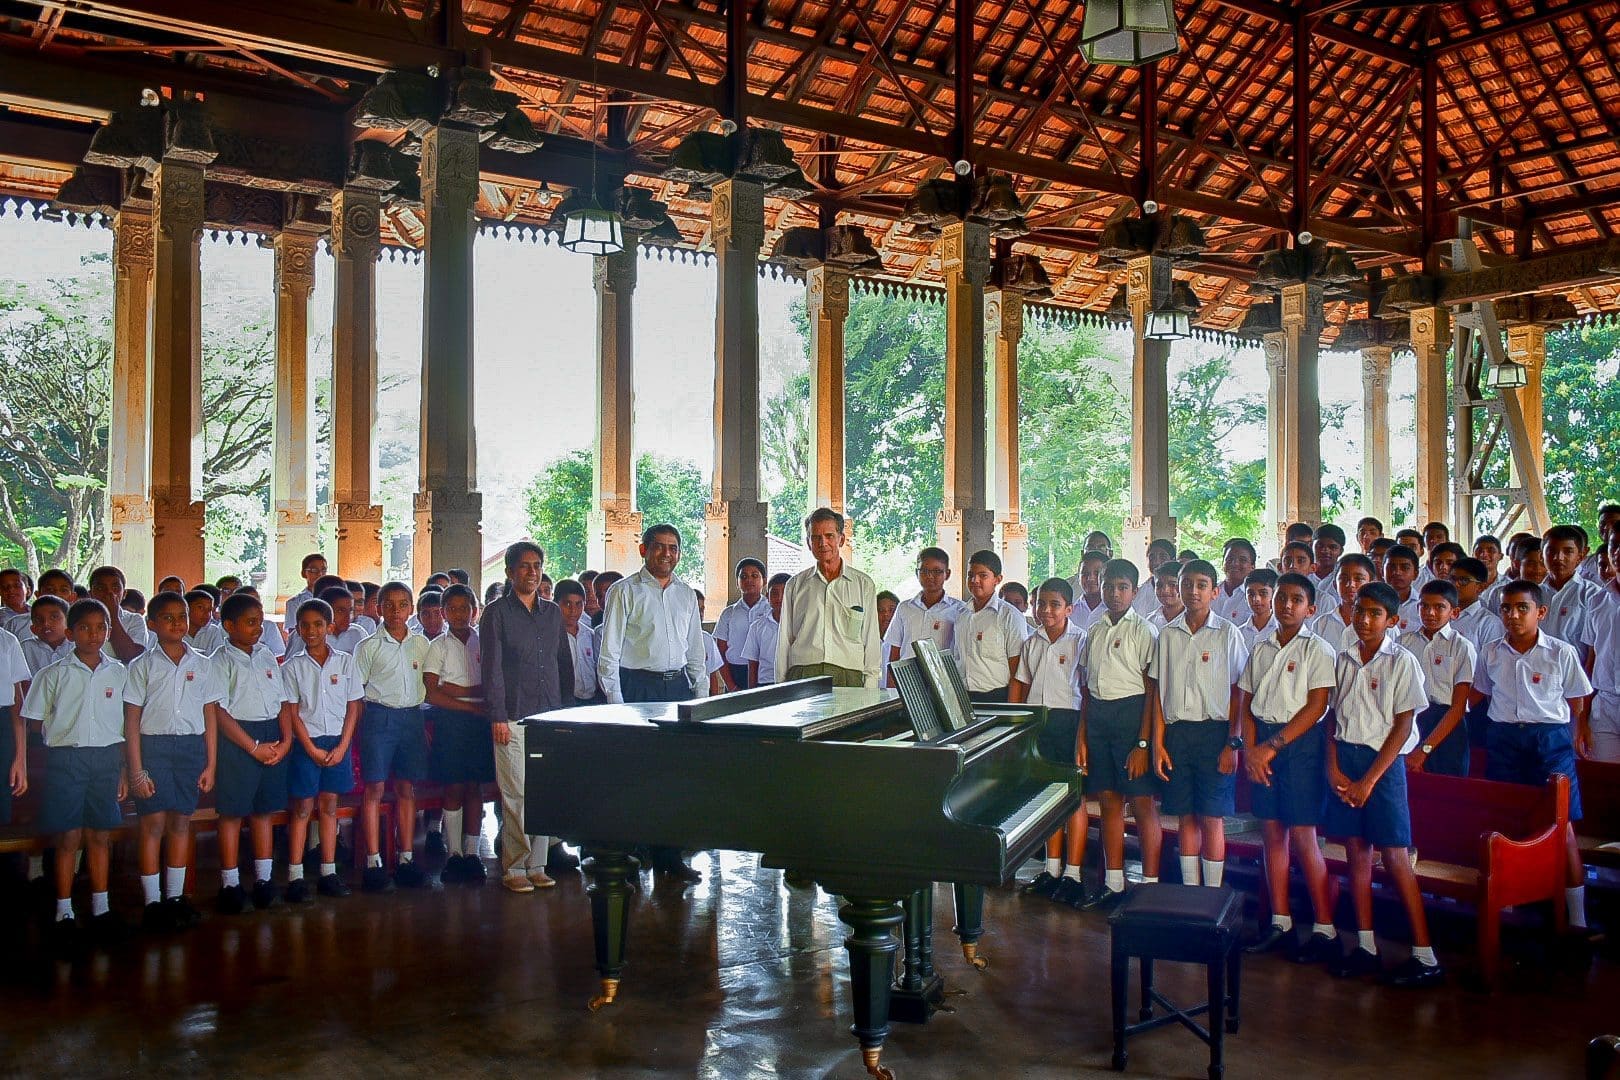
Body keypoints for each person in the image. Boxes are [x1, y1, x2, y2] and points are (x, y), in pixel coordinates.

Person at [1320, 582, 1441, 986]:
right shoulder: (1343, 658)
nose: (1365, 620)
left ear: (1392, 621)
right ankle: (1366, 946)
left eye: (1375, 614)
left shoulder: (1402, 661)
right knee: (1357, 853)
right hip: (1348, 759)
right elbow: (1332, 719)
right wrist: (1333, 768)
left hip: (1384, 766)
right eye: (1360, 611)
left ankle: (1425, 955)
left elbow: (1403, 725)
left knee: (1394, 856)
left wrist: (1369, 780)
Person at [1472, 578, 1595, 933]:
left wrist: (1577, 732)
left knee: (1561, 823)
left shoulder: (1560, 652)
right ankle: (1508, 906)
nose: (1513, 615)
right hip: (1504, 738)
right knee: (1505, 821)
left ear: (1540, 612)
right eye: (1506, 608)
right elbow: (1481, 693)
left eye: (1522, 608)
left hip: (1549, 740)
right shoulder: (1491, 651)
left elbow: (1577, 698)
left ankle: (1577, 919)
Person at [598, 525, 707, 881]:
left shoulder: (686, 594)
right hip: (637, 689)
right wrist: (616, 703)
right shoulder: (624, 591)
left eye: (673, 548)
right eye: (659, 547)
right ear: (644, 550)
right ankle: (632, 853)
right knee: (635, 773)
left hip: (676, 688)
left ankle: (669, 856)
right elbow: (609, 653)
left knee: (673, 775)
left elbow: (696, 650)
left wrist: (700, 697)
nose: (666, 554)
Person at [1238, 571, 1336, 961]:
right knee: (1272, 832)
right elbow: (1246, 703)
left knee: (1303, 836)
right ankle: (1280, 922)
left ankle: (1325, 929)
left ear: (1310, 608)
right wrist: (1251, 750)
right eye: (1281, 598)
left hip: (1299, 744)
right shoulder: (1261, 647)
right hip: (1262, 740)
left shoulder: (1318, 649)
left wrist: (1270, 747)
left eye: (1296, 600)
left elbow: (1317, 707)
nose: (1287, 605)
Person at [20, 598, 126, 950]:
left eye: (100, 627)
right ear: (70, 633)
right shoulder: (53, 674)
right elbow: (34, 721)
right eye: (84, 628)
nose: (93, 634)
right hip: (66, 760)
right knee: (68, 837)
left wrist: (123, 768)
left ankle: (101, 908)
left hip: (107, 759)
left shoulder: (120, 673)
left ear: (108, 631)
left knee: (100, 835)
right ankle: (64, 910)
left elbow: (126, 725)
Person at [481, 542, 575, 893]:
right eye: (524, 566)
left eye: (537, 565)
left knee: (543, 791)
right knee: (516, 794)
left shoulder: (552, 613)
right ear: (509, 572)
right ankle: (515, 866)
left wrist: (566, 712)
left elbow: (563, 663)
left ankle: (538, 864)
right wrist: (497, 716)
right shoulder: (496, 614)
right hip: (512, 715)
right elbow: (491, 669)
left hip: (548, 714)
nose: (532, 572)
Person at [123, 590, 219, 931]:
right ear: (151, 624)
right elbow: (131, 721)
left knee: (181, 822)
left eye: (182, 617)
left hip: (191, 749)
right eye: (167, 617)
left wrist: (211, 764)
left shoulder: (203, 664)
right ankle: (153, 901)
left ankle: (176, 897)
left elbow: (210, 716)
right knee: (152, 824)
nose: (177, 623)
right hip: (154, 748)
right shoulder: (142, 666)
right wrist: (136, 770)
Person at [1151, 559, 1248, 888]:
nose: (1193, 591)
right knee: (1185, 817)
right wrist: (1157, 744)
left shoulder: (1227, 633)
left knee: (1211, 817)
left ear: (1214, 592)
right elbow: (1159, 693)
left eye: (1202, 585)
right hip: (1177, 734)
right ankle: (1191, 891)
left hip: (1215, 734)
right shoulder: (1167, 634)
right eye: (1187, 584)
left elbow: (1240, 692)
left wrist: (1233, 743)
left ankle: (1213, 892)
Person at [1077, 558, 1161, 909]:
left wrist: (1143, 743)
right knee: (1109, 800)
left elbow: (1151, 691)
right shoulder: (1094, 630)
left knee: (1141, 803)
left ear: (1135, 591)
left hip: (1132, 717)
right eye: (1108, 586)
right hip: (1099, 718)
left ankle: (1151, 888)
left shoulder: (1144, 631)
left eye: (1122, 587)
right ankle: (1113, 883)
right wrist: (1083, 736)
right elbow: (1086, 689)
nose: (1114, 593)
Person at [207, 591, 293, 914]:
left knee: (263, 811)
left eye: (260, 622)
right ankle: (230, 883)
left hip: (271, 736)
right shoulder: (220, 660)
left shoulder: (267, 654)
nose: (258, 628)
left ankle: (264, 880)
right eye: (250, 622)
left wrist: (285, 740)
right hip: (239, 740)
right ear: (229, 625)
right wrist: (253, 747)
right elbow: (219, 712)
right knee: (232, 814)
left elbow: (282, 702)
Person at [1010, 578, 1088, 907]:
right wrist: (1015, 728)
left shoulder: (1081, 640)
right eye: (1041, 603)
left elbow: (1087, 691)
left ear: (1069, 608)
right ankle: (1051, 868)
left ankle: (1073, 874)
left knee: (1074, 798)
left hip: (1070, 723)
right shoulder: (1032, 641)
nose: (1046, 610)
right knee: (1047, 797)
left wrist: (1083, 736)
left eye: (1055, 604)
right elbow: (1020, 684)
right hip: (1039, 722)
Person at [280, 598, 362, 902]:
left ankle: (328, 871)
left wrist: (343, 746)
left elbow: (353, 707)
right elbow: (292, 713)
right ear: (297, 629)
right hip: (308, 745)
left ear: (329, 627)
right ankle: (295, 875)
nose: (312, 630)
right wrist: (311, 749)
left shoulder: (345, 662)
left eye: (318, 624)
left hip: (337, 744)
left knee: (329, 807)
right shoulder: (293, 667)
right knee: (302, 808)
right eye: (305, 625)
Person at [353, 582, 431, 893]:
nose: (396, 611)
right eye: (389, 604)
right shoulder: (368, 646)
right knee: (374, 788)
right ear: (378, 608)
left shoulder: (421, 644)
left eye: (402, 604)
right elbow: (355, 693)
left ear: (411, 609)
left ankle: (406, 858)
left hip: (412, 718)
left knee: (406, 788)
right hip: (378, 717)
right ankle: (373, 861)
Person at [424, 583, 493, 885]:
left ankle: (473, 853)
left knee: (474, 787)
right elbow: (432, 692)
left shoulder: (484, 643)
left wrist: (455, 689)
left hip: (478, 725)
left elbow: (490, 685)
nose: (459, 614)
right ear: (443, 613)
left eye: (465, 608)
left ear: (474, 611)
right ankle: (453, 853)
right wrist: (470, 702)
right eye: (452, 609)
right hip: (450, 722)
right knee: (453, 787)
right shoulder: (438, 646)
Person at [776, 508, 881, 689]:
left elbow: (870, 639)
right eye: (816, 537)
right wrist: (781, 686)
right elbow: (784, 639)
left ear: (841, 539)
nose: (822, 543)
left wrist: (870, 688)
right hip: (803, 674)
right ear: (808, 543)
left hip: (848, 676)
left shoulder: (863, 584)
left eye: (829, 536)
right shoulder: (795, 585)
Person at [1398, 580, 1477, 777]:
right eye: (1424, 606)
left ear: (1454, 612)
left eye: (1439, 607)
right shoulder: (1403, 642)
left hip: (1447, 725)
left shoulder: (1462, 647)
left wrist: (1424, 749)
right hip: (1410, 719)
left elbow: (1458, 707)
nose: (1430, 613)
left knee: (1446, 788)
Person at [952, 551, 1030, 703]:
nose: (975, 580)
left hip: (997, 697)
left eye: (983, 575)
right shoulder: (961, 614)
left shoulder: (1010, 616)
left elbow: (1017, 671)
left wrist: (1012, 710)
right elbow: (957, 659)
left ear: (997, 579)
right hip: (963, 697)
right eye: (970, 575)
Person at [883, 547, 967, 686]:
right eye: (924, 571)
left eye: (937, 571)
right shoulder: (905, 608)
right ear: (917, 573)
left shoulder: (960, 610)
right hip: (908, 683)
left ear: (947, 574)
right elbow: (894, 653)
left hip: (943, 683)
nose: (930, 576)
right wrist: (892, 689)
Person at [1584, 529, 1620, 761]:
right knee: (1603, 777)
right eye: (1614, 545)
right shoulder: (1598, 600)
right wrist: (1582, 719)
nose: (1618, 552)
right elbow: (1591, 660)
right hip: (1604, 706)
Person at [1542, 524, 1602, 647]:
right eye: (1551, 551)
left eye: (1568, 551)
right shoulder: (1532, 594)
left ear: (1580, 556)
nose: (1558, 558)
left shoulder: (1593, 594)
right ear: (1541, 555)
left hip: (1578, 660)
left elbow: (1597, 645)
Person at [714, 558, 769, 691]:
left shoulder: (771, 610)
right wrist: (731, 686)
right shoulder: (728, 613)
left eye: (754, 576)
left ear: (764, 581)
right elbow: (720, 652)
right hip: (735, 673)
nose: (749, 580)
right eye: (743, 576)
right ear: (737, 583)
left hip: (765, 672)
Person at [1311, 553, 1375, 652]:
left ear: (1372, 584)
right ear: (1334, 584)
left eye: (1358, 579)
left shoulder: (1382, 625)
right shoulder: (1321, 624)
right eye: (1343, 579)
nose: (1350, 584)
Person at [285, 584, 367, 658]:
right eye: (340, 611)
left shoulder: (358, 633)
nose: (348, 617)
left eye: (350, 611)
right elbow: (290, 664)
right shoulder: (305, 634)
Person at [88, 565, 149, 662]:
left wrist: (112, 615)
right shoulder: (80, 619)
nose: (109, 592)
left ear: (124, 594)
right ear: (90, 594)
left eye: (115, 588)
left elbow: (131, 657)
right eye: (100, 588)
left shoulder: (134, 620)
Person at [555, 580, 600, 705]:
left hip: (593, 699)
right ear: (556, 604)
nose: (573, 610)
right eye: (567, 604)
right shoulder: (552, 637)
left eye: (579, 604)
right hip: (565, 701)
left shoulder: (590, 634)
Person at [739, 574, 788, 688]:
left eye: (785, 593)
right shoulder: (757, 627)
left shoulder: (800, 624)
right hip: (766, 682)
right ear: (767, 596)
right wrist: (752, 693)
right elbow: (753, 663)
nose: (779, 598)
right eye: (774, 593)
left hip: (793, 681)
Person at [22, 595, 72, 678]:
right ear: (33, 629)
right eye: (38, 619)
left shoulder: (79, 645)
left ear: (69, 622)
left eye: (54, 617)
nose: (46, 623)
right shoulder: (25, 648)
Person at [1212, 539, 1255, 623]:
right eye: (1230, 559)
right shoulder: (1210, 593)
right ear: (1223, 563)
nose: (1235, 563)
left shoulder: (1255, 597)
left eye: (1242, 560)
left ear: (1252, 567)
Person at [1132, 540, 1179, 617]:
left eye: (1162, 557)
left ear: (1173, 560)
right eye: (1152, 557)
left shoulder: (1181, 590)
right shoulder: (1139, 593)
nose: (1156, 562)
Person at [1067, 549, 1109, 632]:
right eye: (1085, 573)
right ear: (1078, 577)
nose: (1090, 578)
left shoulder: (1115, 611)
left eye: (1097, 573)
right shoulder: (1069, 613)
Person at [1382, 544, 1422, 631]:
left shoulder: (1422, 605)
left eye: (1405, 568)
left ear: (1415, 574)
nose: (1397, 572)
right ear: (1382, 572)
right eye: (1392, 567)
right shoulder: (1373, 602)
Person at [1238, 568, 1279, 650]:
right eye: (1251, 594)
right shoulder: (1238, 633)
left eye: (1263, 593)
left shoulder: (1282, 631)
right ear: (1245, 597)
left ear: (1275, 595)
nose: (1256, 599)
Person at [284, 553, 328, 629]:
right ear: (304, 573)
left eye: (323, 570)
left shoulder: (334, 598)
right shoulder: (295, 603)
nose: (320, 574)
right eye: (314, 570)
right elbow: (293, 631)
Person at [184, 588, 226, 654]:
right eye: (200, 608)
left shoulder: (213, 631)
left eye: (210, 610)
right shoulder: (176, 630)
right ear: (186, 608)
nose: (207, 613)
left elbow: (219, 656)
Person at [1311, 524, 1346, 605]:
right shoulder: (1304, 575)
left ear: (1341, 551)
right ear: (1312, 546)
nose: (1325, 551)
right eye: (1320, 546)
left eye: (1332, 547)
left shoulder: (1343, 578)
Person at [1147, 561, 1184, 629]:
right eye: (1159, 585)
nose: (1165, 590)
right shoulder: (1150, 620)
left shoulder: (1194, 619)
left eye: (1172, 585)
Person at [0, 568, 33, 639]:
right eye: (4, 587)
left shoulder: (38, 612)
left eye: (17, 585)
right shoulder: (2, 618)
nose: (10, 589)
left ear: (28, 590)